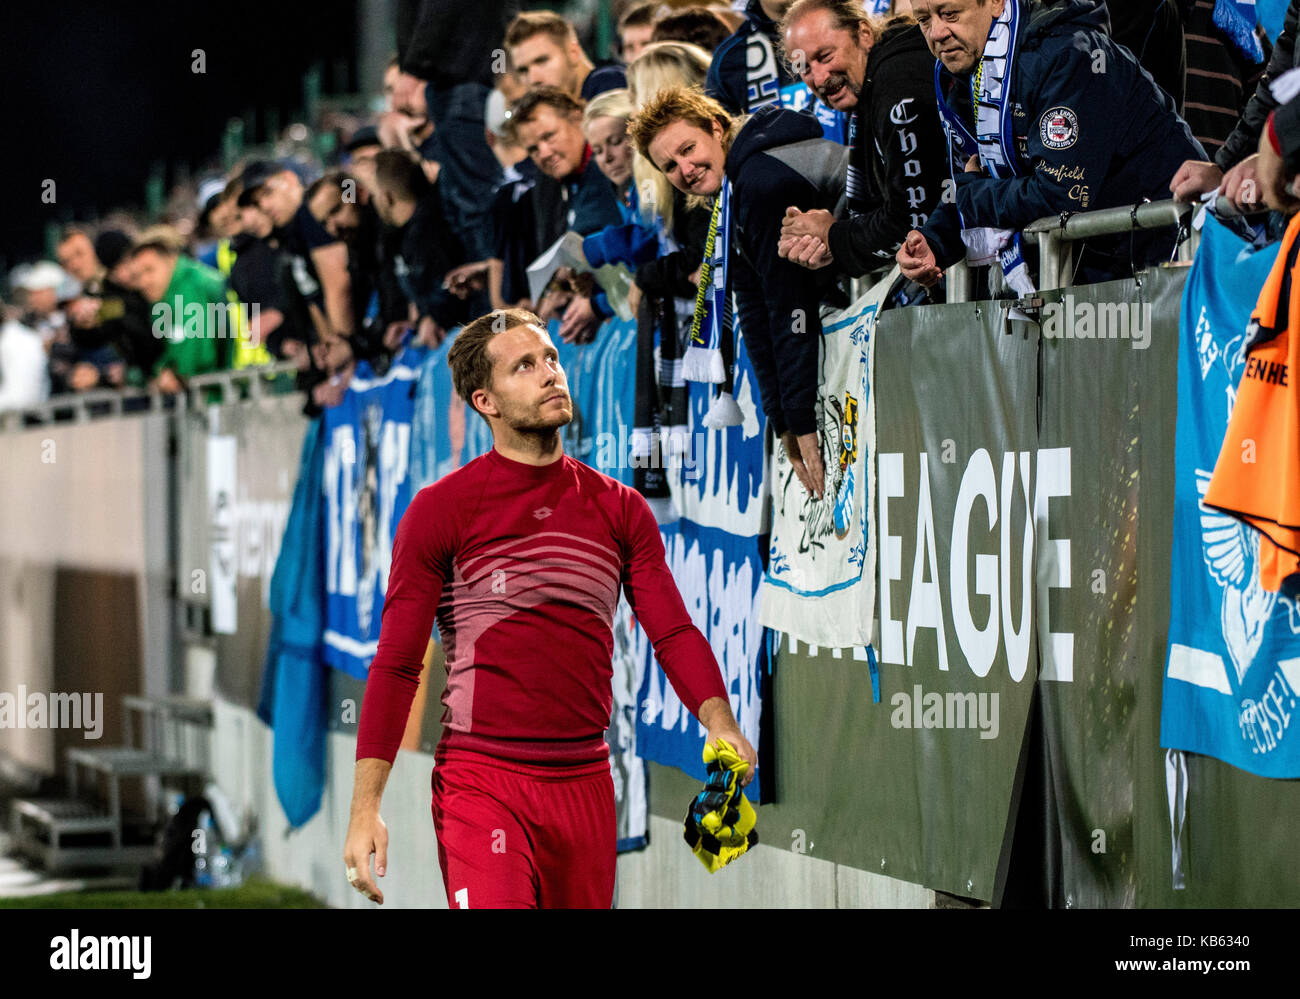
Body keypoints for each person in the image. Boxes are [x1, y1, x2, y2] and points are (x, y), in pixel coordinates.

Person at [343, 307, 753, 909]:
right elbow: (399, 665)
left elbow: (671, 631)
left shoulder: (621, 509)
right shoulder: (440, 511)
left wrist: (720, 724)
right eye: (525, 366)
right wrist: (365, 808)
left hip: (586, 782)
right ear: (485, 401)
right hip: (481, 783)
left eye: (552, 359)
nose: (550, 375)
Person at [629, 85, 850, 500]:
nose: (686, 168)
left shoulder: (760, 181)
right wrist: (781, 420)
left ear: (716, 127)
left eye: (688, 148)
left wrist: (801, 422)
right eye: (670, 166)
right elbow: (752, 304)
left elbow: (788, 304)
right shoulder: (731, 193)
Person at [897, 0, 1205, 291]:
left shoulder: (1068, 56)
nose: (937, 33)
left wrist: (969, 193)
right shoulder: (968, 74)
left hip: (1164, 265)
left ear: (995, 3)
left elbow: (1061, 194)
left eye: (950, 13)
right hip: (1103, 270)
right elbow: (985, 177)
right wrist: (935, 241)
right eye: (924, 20)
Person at [777, 0, 947, 276]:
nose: (819, 78)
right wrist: (825, 235)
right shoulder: (870, 85)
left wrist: (833, 235)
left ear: (864, 34)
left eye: (826, 56)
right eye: (805, 68)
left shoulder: (897, 85)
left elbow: (916, 222)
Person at [1171, 0, 1296, 211]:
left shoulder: (1239, 14)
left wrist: (1225, 167)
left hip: (1221, 191)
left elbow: (1272, 89)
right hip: (1162, 184)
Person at [129, 229, 232, 393]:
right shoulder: (168, 296)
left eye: (149, 270)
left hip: (230, 392)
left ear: (171, 260)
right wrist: (164, 369)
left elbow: (199, 354)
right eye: (137, 276)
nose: (144, 282)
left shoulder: (190, 286)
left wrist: (176, 375)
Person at [507, 10, 628, 100]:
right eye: (523, 71)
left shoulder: (610, 84)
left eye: (542, 61)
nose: (533, 80)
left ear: (573, 53)